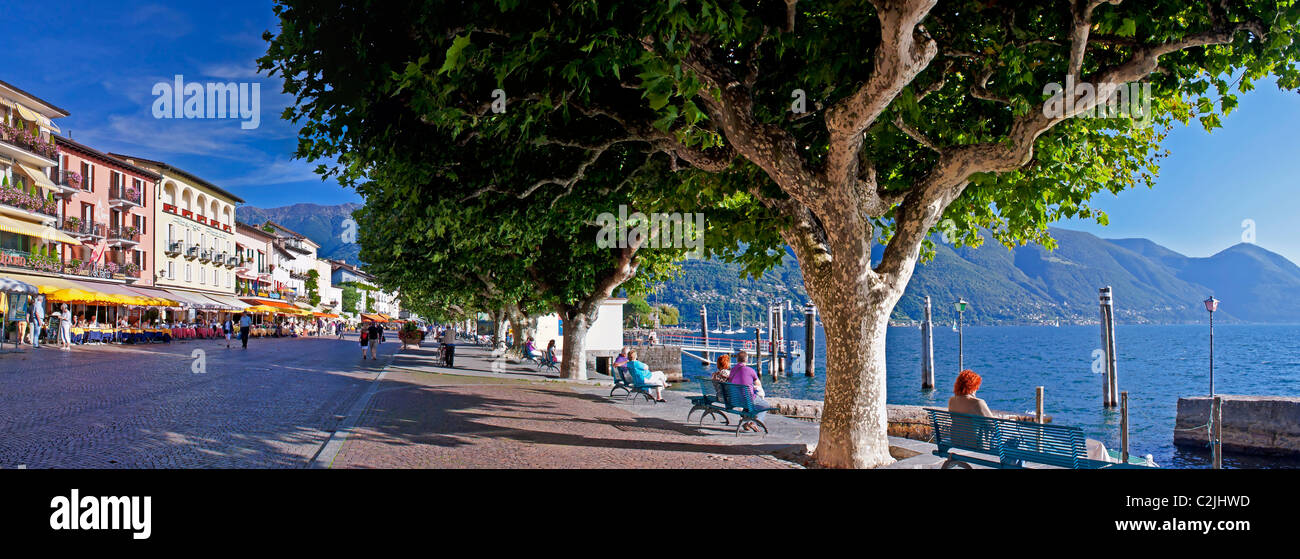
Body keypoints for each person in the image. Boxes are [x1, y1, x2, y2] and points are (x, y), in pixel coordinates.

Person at [948, 369, 1118, 464]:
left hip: (960, 441)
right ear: (972, 386)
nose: (977, 389)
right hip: (980, 445)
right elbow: (994, 427)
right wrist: (1011, 421)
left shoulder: (952, 401)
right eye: (976, 386)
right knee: (1018, 441)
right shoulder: (978, 402)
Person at [727, 351, 770, 430]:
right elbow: (758, 384)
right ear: (746, 360)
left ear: (737, 359)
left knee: (747, 402)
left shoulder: (732, 371)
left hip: (736, 399)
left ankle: (747, 421)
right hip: (748, 399)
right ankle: (754, 423)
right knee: (765, 406)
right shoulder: (750, 370)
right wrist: (753, 387)